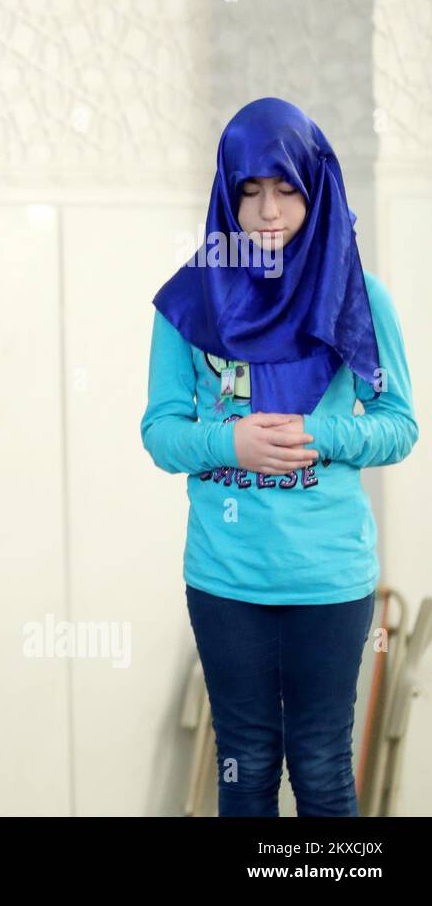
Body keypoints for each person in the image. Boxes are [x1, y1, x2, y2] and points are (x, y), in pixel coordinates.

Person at [141, 97, 418, 816]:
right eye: (250, 190)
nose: (267, 211)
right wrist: (229, 441)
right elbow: (161, 431)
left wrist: (319, 434)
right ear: (226, 194)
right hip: (227, 574)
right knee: (245, 762)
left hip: (328, 574)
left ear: (314, 187)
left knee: (323, 765)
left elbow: (399, 423)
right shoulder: (189, 300)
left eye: (286, 189)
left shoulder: (359, 294)